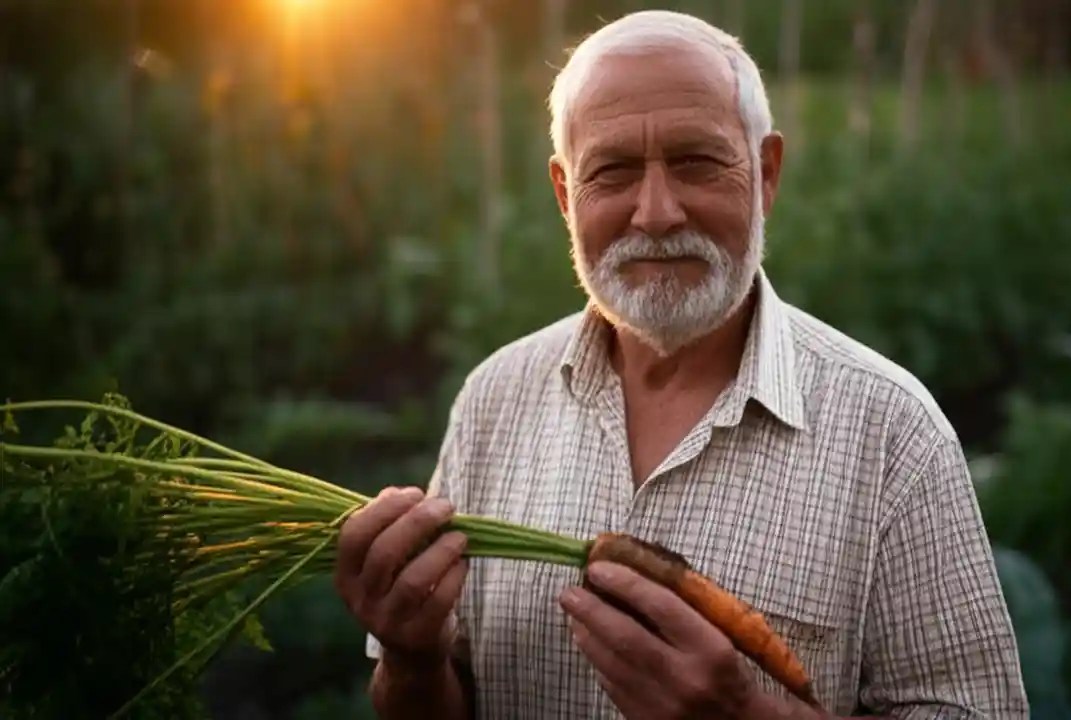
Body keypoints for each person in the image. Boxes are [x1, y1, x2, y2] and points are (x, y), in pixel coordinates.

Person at [334, 10, 1029, 720]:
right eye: (613, 171)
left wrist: (746, 715)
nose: (657, 213)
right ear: (566, 195)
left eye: (697, 161)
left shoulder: (892, 433)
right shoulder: (494, 400)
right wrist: (411, 659)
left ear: (765, 174)